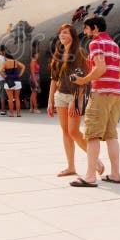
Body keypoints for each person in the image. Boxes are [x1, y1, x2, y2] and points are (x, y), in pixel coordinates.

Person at [69, 15, 120, 187]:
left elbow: (100, 68)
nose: (85, 32)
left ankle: (89, 176)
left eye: (86, 28)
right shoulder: (115, 45)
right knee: (111, 135)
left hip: (101, 92)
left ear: (94, 28)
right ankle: (115, 174)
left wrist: (83, 80)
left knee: (92, 134)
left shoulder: (96, 44)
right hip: (116, 93)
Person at [47, 23, 101, 177]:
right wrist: (50, 100)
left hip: (74, 96)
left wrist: (75, 100)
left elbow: (83, 78)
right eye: (61, 33)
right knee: (65, 132)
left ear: (72, 36)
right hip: (60, 96)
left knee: (74, 132)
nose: (62, 35)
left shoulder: (79, 52)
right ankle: (71, 167)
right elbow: (53, 79)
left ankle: (95, 160)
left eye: (66, 33)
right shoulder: (59, 53)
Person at [1, 53, 26, 117]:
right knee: (17, 98)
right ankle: (18, 113)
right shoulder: (15, 62)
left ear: (6, 57)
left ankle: (11, 114)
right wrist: (20, 75)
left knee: (10, 98)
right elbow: (23, 67)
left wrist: (5, 77)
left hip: (9, 81)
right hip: (17, 81)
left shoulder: (5, 63)